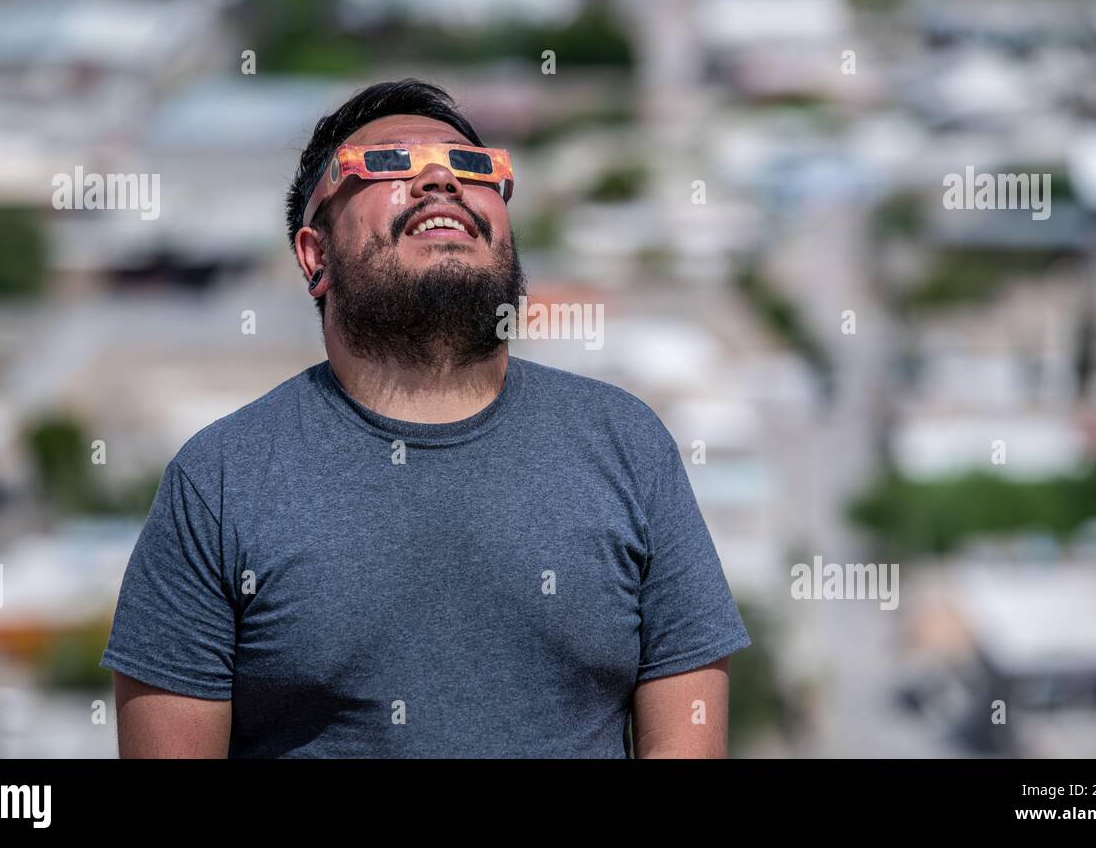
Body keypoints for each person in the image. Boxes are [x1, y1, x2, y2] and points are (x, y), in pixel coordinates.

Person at [100, 78, 751, 758]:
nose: (439, 179)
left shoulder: (627, 443)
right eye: (388, 164)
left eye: (472, 167)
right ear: (314, 256)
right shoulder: (220, 481)